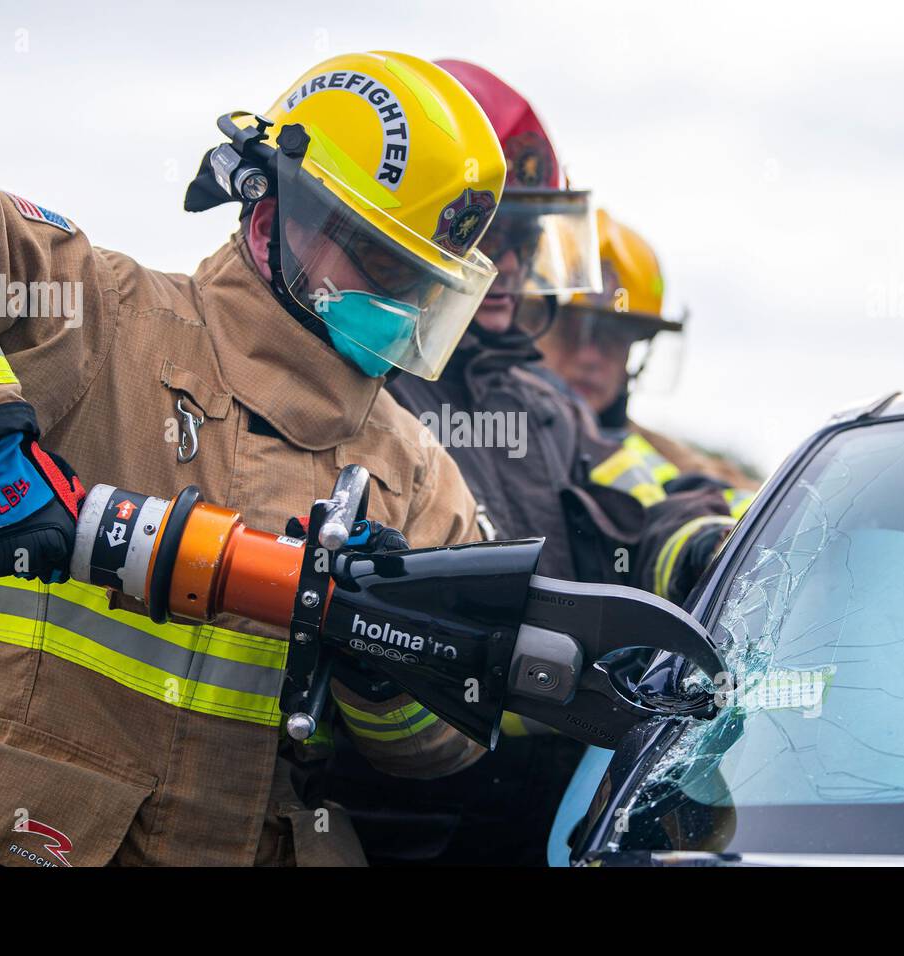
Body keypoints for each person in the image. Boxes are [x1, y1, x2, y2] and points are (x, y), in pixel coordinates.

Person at [0, 51, 507, 866]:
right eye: (381, 263)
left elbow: (446, 746)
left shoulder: (419, 472)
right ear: (272, 214)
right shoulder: (104, 320)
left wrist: (385, 662)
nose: (403, 305)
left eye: (425, 284)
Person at [319, 60, 738, 866]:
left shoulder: (542, 403)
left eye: (525, 241)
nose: (512, 266)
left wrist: (711, 546)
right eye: (490, 236)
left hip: (551, 802)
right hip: (392, 811)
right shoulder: (359, 384)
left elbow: (646, 496)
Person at [537, 208, 759, 497]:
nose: (591, 357)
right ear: (532, 327)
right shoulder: (486, 432)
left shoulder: (669, 460)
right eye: (571, 333)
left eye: (614, 337)